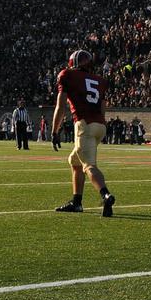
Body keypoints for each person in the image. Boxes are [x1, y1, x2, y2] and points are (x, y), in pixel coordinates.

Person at [52, 50, 115, 217]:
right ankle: (76, 202)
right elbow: (102, 108)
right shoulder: (100, 81)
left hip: (84, 124)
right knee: (75, 160)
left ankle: (105, 195)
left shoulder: (67, 75)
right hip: (100, 125)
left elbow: (60, 107)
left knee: (88, 165)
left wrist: (54, 131)